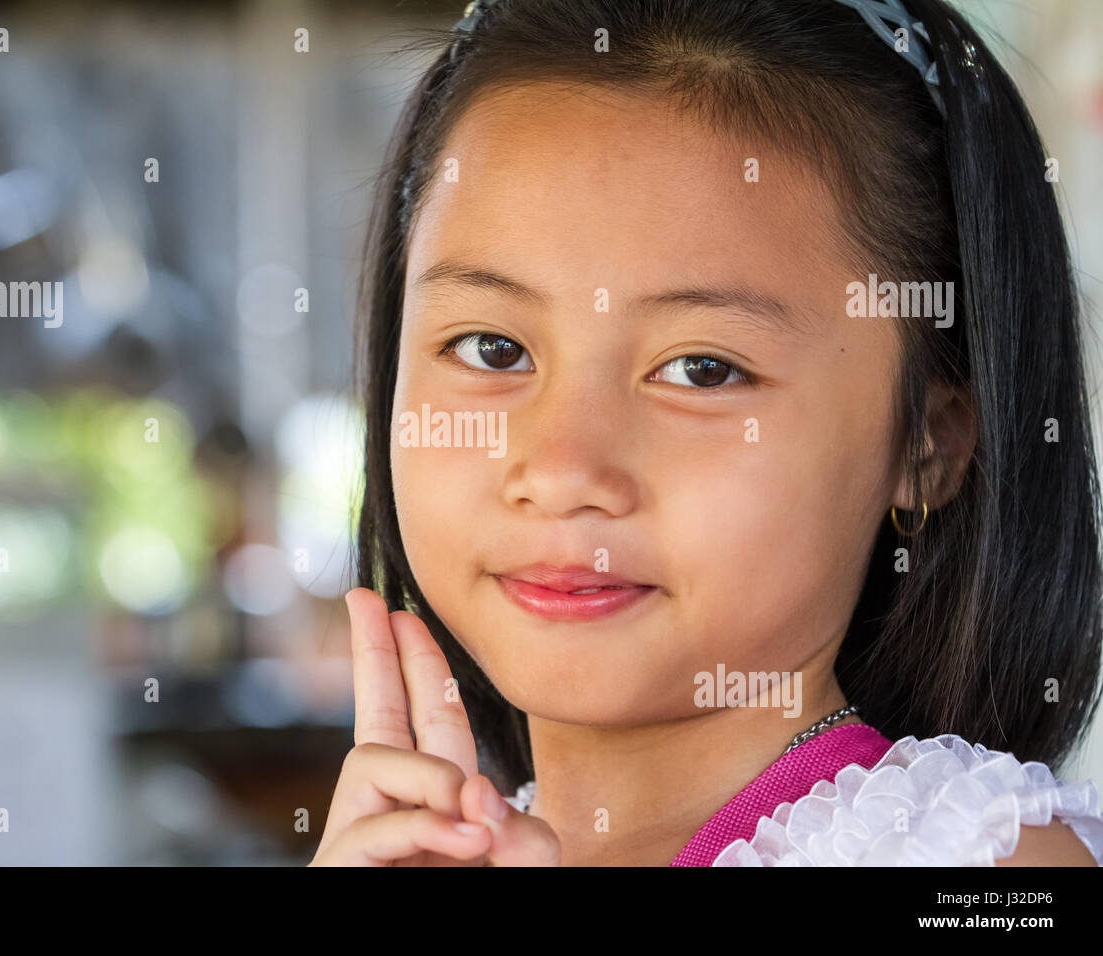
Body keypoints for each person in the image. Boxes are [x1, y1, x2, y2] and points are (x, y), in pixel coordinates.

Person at [310, 0, 1103, 865]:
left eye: (703, 370)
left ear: (928, 441)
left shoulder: (988, 860)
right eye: (491, 349)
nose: (565, 469)